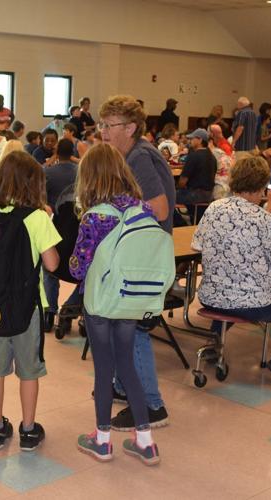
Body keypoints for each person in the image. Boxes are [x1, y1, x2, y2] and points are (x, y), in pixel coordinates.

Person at [72, 143, 161, 465]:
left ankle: (102, 440)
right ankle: (145, 442)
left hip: (100, 304)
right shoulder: (143, 209)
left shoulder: (94, 217)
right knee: (127, 366)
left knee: (104, 370)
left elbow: (78, 268)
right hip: (132, 299)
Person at [193, 154, 271, 384]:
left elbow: (197, 245)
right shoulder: (265, 220)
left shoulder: (213, 209)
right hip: (252, 304)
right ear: (262, 185)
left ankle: (214, 342)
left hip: (211, 297)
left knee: (230, 291)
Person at [0, 150, 61, 452]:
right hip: (27, 308)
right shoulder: (37, 217)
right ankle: (29, 430)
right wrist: (47, 222)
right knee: (28, 371)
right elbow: (52, 264)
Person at [97, 95, 174, 429]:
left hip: (144, 258)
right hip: (138, 253)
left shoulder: (140, 157)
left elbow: (160, 208)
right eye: (101, 125)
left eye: (109, 125)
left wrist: (116, 208)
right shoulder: (129, 154)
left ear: (130, 128)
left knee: (132, 329)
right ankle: (122, 385)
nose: (102, 132)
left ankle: (151, 405)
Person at [42, 139, 80, 329]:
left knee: (50, 270)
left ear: (57, 152)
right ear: (73, 152)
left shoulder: (48, 172)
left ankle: (49, 311)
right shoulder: (81, 171)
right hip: (80, 228)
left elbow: (41, 198)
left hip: (55, 227)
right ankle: (73, 306)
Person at [176, 129, 216, 206]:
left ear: (200, 140)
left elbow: (182, 182)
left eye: (192, 138)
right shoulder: (212, 157)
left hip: (194, 195)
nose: (190, 141)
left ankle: (178, 216)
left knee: (168, 196)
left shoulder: (193, 156)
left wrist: (176, 186)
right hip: (209, 195)